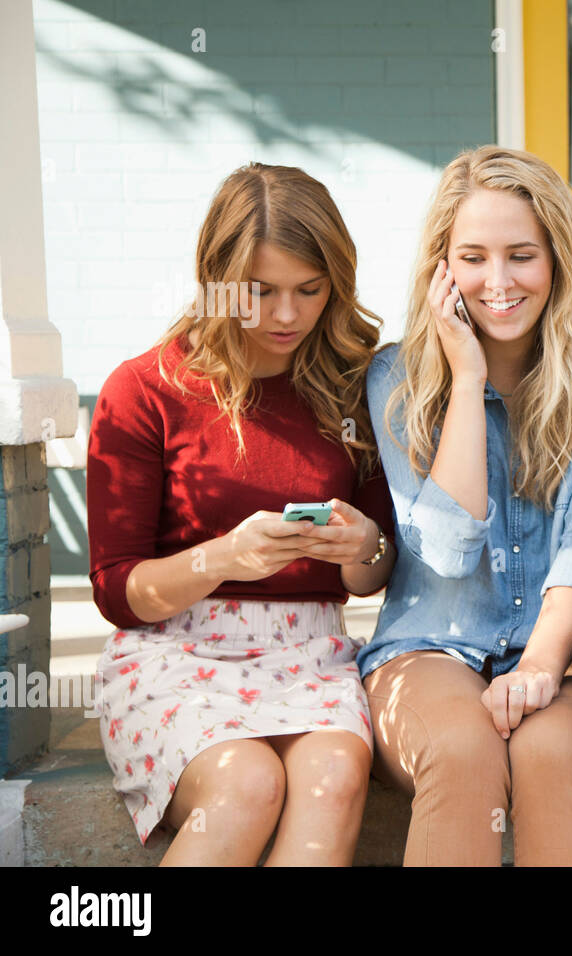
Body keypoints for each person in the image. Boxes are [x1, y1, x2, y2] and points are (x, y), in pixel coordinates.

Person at [88, 163, 397, 865]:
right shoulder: (144, 390)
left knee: (334, 776)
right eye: (260, 293)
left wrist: (364, 545)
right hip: (173, 653)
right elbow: (117, 591)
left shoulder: (358, 388)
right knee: (247, 784)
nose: (286, 315)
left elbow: (376, 573)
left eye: (308, 291)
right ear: (217, 278)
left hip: (310, 652)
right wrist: (223, 557)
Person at [360, 145, 572, 867]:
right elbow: (448, 553)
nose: (498, 281)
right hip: (429, 645)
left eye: (521, 255)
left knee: (549, 753)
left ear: (558, 259)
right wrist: (463, 378)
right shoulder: (395, 377)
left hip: (567, 654)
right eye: (473, 258)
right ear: (442, 268)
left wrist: (542, 666)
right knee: (461, 751)